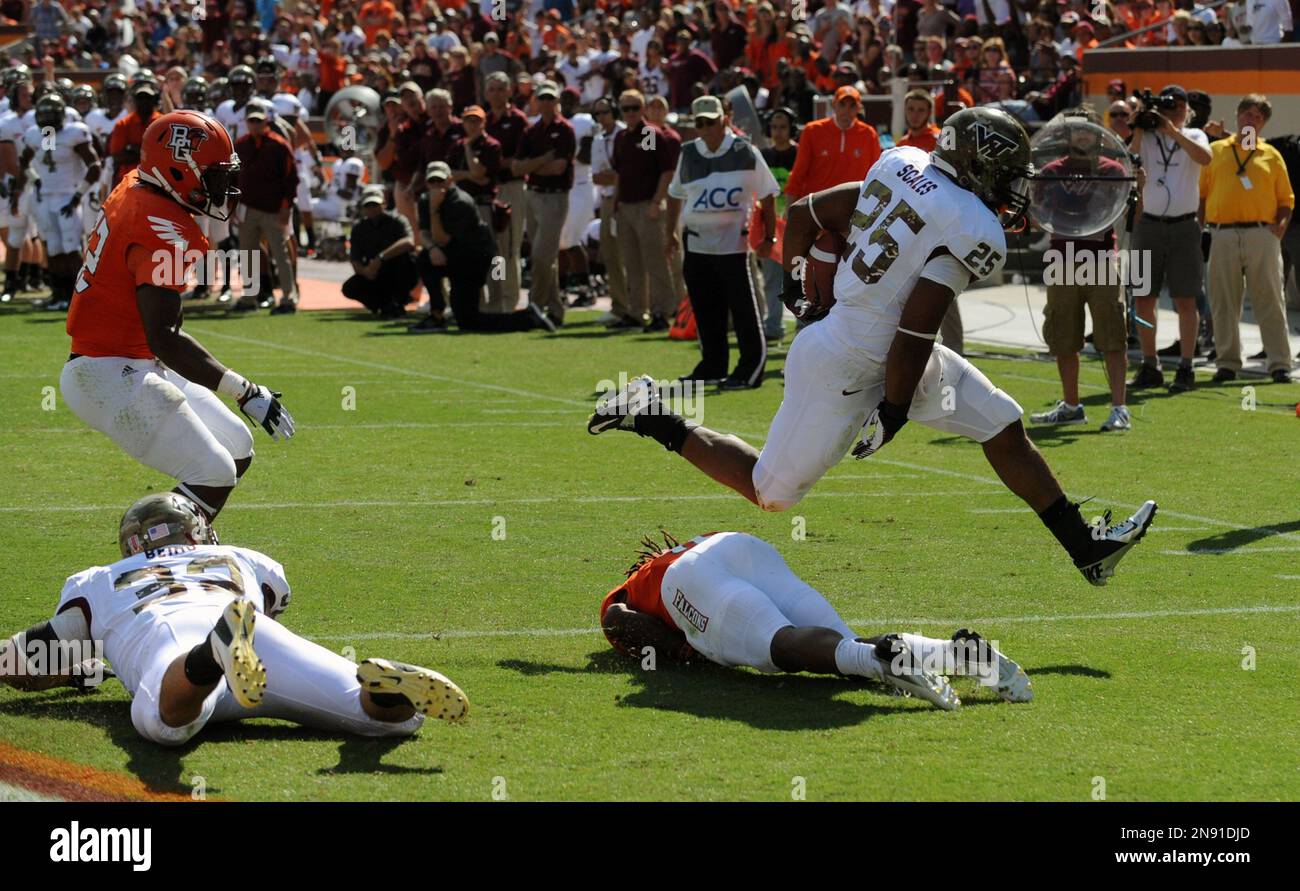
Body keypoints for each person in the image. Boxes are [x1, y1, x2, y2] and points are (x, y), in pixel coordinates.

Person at [590, 108, 1158, 588]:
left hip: (868, 346)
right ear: (978, 165)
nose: (1013, 184)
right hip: (846, 362)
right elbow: (915, 327)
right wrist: (892, 409)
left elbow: (808, 213)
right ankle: (649, 414)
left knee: (1002, 425)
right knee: (770, 492)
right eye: (1006, 171)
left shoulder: (902, 164)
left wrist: (795, 280)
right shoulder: (969, 222)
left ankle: (1087, 548)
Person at [0, 494, 468, 747]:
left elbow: (24, 661)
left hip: (173, 634)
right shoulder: (237, 557)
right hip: (255, 634)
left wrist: (79, 666)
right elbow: (273, 601)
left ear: (129, 546)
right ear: (199, 534)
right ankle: (382, 685)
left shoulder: (101, 578)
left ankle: (210, 657)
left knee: (162, 724)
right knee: (388, 724)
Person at [60, 111, 295, 522]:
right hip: (106, 372)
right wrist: (244, 390)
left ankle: (188, 535)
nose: (224, 187)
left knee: (237, 445)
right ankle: (153, 556)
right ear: (178, 171)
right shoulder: (162, 228)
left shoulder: (138, 182)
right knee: (214, 472)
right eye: (215, 176)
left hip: (129, 359)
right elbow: (165, 337)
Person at [601, 530, 1035, 711]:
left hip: (694, 577)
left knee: (778, 645)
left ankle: (884, 664)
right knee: (843, 647)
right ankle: (955, 655)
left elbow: (618, 619)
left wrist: (680, 651)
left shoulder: (636, 586)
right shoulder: (677, 552)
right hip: (739, 545)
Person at [1029, 111, 1134, 433]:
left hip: (1101, 260)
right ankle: (1072, 406)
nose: (1083, 136)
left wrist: (1137, 186)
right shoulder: (1049, 172)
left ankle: (1119, 409)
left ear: (1098, 134)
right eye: (1076, 131)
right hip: (1062, 259)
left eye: (1087, 130)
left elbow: (1122, 212)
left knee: (1112, 335)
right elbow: (1036, 216)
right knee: (1063, 337)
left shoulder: (1114, 171)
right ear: (1068, 136)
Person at [666, 95, 778, 389]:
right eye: (699, 123)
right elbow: (676, 195)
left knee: (743, 313)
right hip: (697, 246)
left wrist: (769, 236)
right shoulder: (689, 153)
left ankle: (750, 369)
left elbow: (767, 194)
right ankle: (713, 366)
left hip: (733, 247)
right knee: (705, 310)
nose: (705, 128)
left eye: (711, 122)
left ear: (724, 120)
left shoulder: (744, 150)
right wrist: (671, 234)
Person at [1200, 94, 1295, 383]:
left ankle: (1279, 362)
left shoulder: (1271, 154)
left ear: (1263, 123)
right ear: (1238, 116)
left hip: (1261, 233)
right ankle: (1227, 362)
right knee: (1223, 300)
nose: (1251, 119)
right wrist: (1203, 226)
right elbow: (1202, 194)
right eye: (1247, 114)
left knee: (1270, 299)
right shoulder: (1215, 151)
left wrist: (1279, 227)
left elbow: (1286, 199)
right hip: (1222, 233)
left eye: (1257, 116)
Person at [1128, 84, 1212, 393]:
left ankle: (1187, 367)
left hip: (1185, 226)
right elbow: (1129, 161)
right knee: (1143, 298)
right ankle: (1150, 364)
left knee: (1186, 298)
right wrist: (1139, 125)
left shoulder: (1195, 135)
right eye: (1168, 106)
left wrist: (1172, 130)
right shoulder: (1148, 137)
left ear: (1187, 110)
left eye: (1179, 106)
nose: (1173, 111)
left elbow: (1205, 159)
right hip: (1147, 223)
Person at [409, 162, 554, 334]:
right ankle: (436, 314)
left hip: (475, 260)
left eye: (440, 181)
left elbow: (443, 238)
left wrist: (434, 209)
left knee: (470, 320)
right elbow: (425, 233)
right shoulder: (426, 200)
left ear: (450, 180)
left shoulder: (460, 201)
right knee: (424, 259)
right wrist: (432, 248)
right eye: (432, 181)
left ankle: (528, 318)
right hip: (455, 256)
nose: (436, 185)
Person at [16, 93, 100, 313]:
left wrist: (77, 196)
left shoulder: (74, 132)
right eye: (44, 115)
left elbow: (94, 166)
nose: (47, 119)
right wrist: (35, 181)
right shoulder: (42, 135)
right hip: (45, 196)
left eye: (51, 114)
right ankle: (58, 294)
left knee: (71, 247)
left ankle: (77, 296)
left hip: (67, 196)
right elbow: (35, 160)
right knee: (52, 246)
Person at [611, 89, 681, 332]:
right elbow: (619, 173)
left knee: (655, 262)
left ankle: (663, 311)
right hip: (627, 206)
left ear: (642, 109)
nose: (629, 113)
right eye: (625, 108)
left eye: (634, 108)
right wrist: (616, 203)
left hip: (647, 206)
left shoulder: (649, 134)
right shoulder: (620, 137)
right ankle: (637, 311)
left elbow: (665, 171)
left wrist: (656, 202)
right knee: (632, 263)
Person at [512, 80, 575, 328]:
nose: (547, 103)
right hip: (533, 195)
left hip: (555, 196)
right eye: (543, 98)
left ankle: (535, 306)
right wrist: (542, 160)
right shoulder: (531, 131)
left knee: (540, 256)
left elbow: (559, 167)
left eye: (551, 98)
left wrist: (533, 165)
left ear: (558, 101)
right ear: (536, 101)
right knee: (546, 258)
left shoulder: (565, 130)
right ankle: (556, 310)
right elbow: (517, 167)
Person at [232, 103, 299, 314]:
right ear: (246, 122)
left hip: (273, 209)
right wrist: (232, 205)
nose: (254, 125)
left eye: (258, 121)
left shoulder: (279, 145)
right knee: (248, 254)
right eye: (251, 121)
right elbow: (232, 177)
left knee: (280, 253)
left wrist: (285, 207)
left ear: (266, 122)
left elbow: (290, 179)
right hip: (247, 207)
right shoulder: (240, 145)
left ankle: (289, 297)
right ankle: (249, 297)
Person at [783, 85, 881, 201]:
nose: (846, 111)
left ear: (859, 108)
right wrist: (790, 209)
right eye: (842, 104)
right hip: (817, 207)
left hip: (853, 207)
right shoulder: (812, 131)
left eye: (852, 106)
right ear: (834, 104)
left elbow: (877, 176)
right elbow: (798, 172)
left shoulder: (869, 134)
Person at [485, 72, 529, 313]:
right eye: (492, 89)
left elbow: (519, 160)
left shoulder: (518, 120)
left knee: (511, 246)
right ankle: (497, 297)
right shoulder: (485, 120)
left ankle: (510, 299)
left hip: (511, 186)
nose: (497, 93)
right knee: (494, 248)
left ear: (509, 91)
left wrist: (494, 163)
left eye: (501, 88)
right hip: (490, 188)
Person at [589, 94, 632, 327]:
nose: (601, 117)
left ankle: (640, 306)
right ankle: (619, 306)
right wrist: (615, 177)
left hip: (628, 197)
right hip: (607, 200)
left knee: (632, 254)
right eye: (598, 113)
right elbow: (597, 176)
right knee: (610, 252)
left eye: (605, 112)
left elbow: (631, 173)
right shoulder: (597, 139)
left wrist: (616, 177)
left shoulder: (628, 134)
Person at [343, 185, 418, 318]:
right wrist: (365, 271)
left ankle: (397, 302)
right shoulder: (359, 228)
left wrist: (381, 257)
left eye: (375, 204)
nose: (372, 208)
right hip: (375, 272)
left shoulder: (397, 220)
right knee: (350, 287)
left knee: (407, 262)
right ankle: (382, 305)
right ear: (363, 208)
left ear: (384, 204)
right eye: (368, 205)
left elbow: (408, 242)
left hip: (397, 270)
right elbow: (355, 259)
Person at [760, 106, 799, 345]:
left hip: (794, 223)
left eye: (783, 127)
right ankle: (773, 324)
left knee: (796, 277)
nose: (778, 132)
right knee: (771, 278)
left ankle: (803, 325)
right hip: (771, 223)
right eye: (774, 127)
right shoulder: (764, 155)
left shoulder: (800, 153)